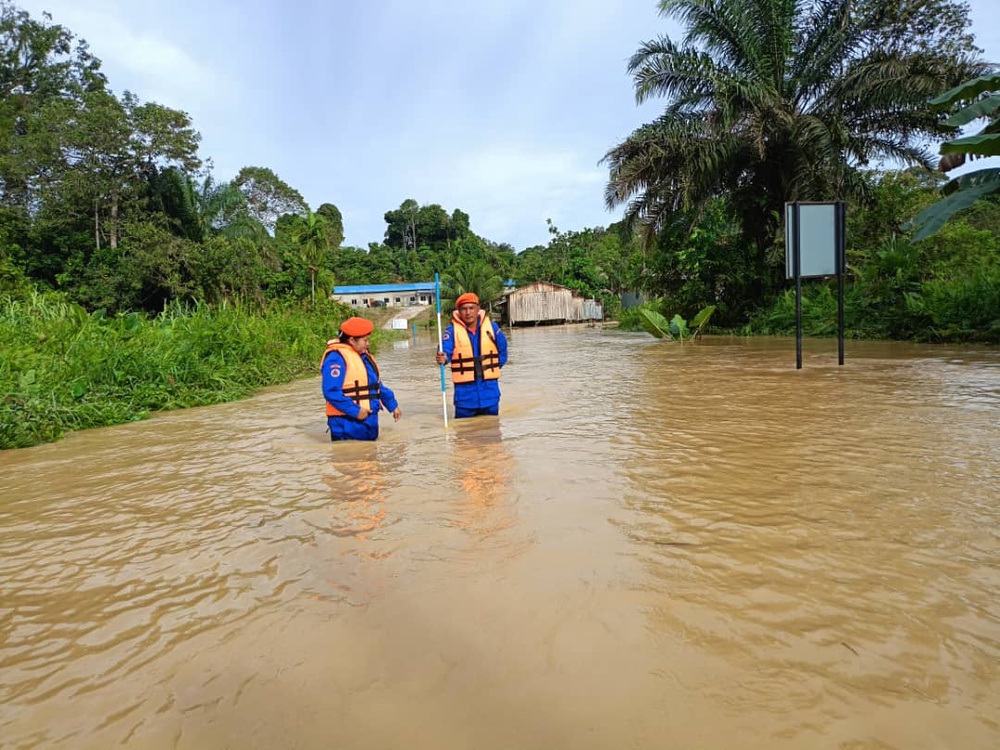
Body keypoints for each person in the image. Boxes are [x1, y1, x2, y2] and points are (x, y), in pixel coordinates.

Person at [322, 316, 402, 441]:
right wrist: (356, 411)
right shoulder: (336, 358)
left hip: (368, 421)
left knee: (370, 457)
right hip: (347, 422)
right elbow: (331, 392)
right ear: (352, 340)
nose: (368, 344)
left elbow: (376, 385)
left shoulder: (364, 357)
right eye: (365, 340)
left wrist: (392, 405)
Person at [434, 292, 508, 418]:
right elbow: (446, 350)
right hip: (465, 398)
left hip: (490, 394)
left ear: (478, 309)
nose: (468, 312)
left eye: (471, 308)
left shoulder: (492, 327)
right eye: (464, 309)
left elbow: (503, 351)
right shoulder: (451, 331)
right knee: (464, 434)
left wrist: (491, 367)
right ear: (458, 311)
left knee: (493, 433)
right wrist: (444, 357)